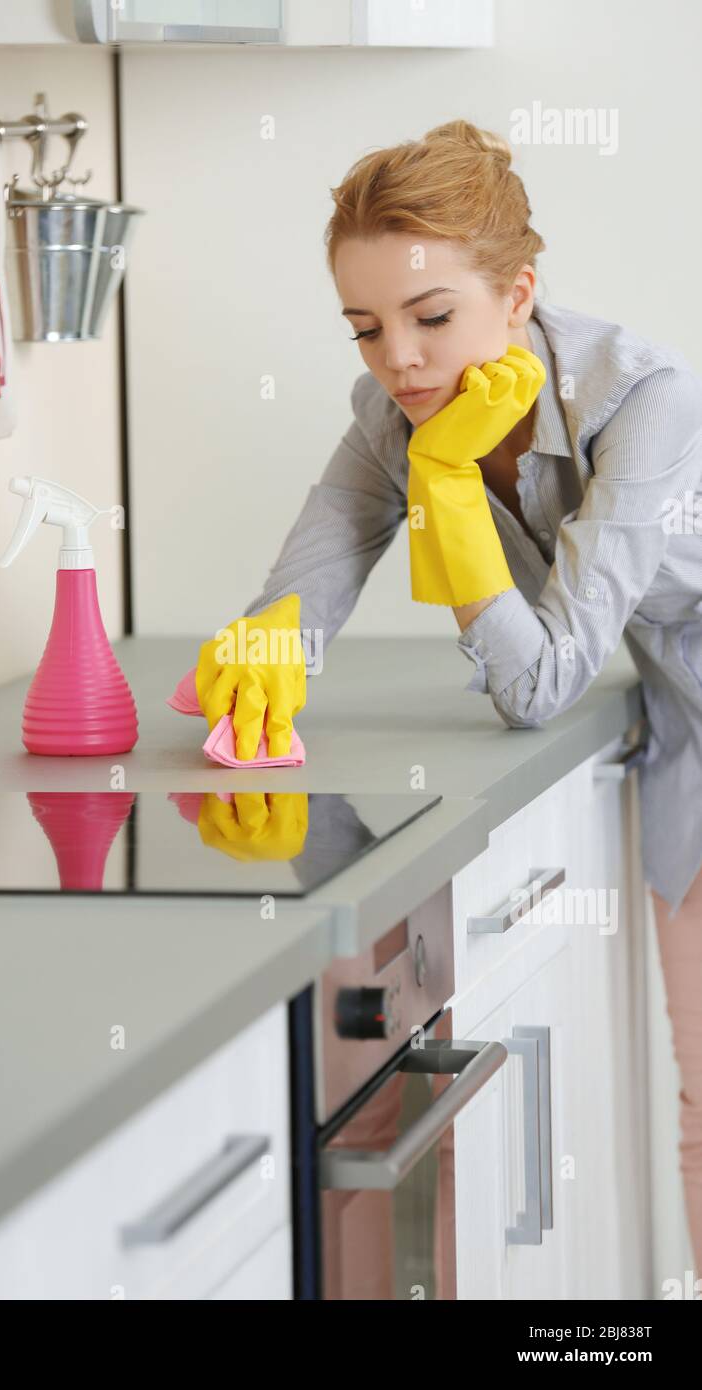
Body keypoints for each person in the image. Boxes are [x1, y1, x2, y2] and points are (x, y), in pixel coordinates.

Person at [190, 119, 702, 1275]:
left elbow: (542, 681)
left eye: (430, 319)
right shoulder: (396, 419)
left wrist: (446, 488)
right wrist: (263, 650)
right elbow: (296, 600)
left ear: (515, 295)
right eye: (365, 329)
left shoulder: (647, 403)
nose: (400, 362)